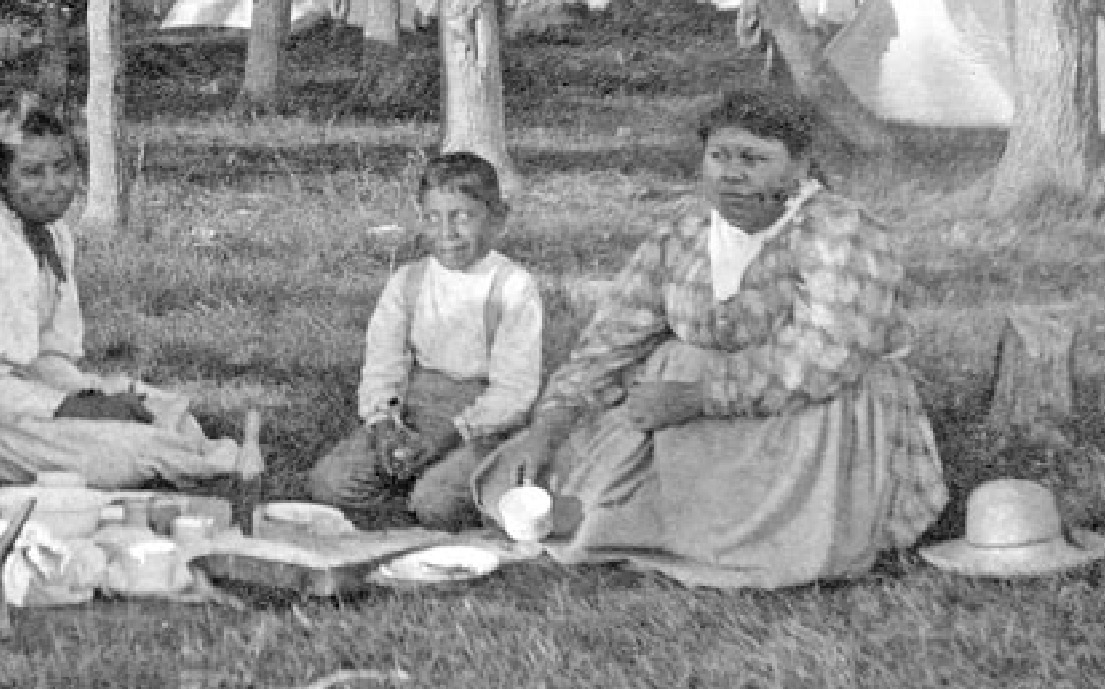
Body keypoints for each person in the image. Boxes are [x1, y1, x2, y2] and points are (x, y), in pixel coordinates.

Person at [472, 86, 949, 589]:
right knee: (544, 485)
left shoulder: (838, 232)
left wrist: (701, 395)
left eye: (753, 159)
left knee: (743, 536)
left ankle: (734, 532)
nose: (731, 174)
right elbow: (614, 336)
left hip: (807, 416)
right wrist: (552, 422)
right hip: (687, 414)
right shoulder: (687, 229)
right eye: (718, 156)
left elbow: (824, 359)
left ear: (799, 165)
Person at [0, 95, 242, 488]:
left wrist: (91, 396)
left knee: (166, 412)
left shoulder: (55, 235)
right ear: (1, 179)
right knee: (131, 452)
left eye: (62, 168)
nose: (52, 186)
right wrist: (81, 408)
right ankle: (199, 469)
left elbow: (48, 355)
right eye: (32, 172)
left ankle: (198, 464)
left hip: (22, 397)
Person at [305, 152, 544, 529]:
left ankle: (456, 485)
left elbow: (514, 389)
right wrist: (384, 425)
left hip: (484, 418)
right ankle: (411, 481)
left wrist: (446, 438)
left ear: (498, 218)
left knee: (437, 503)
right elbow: (384, 362)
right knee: (329, 484)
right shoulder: (408, 281)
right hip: (417, 405)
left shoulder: (512, 287)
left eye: (463, 217)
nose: (447, 233)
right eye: (434, 218)